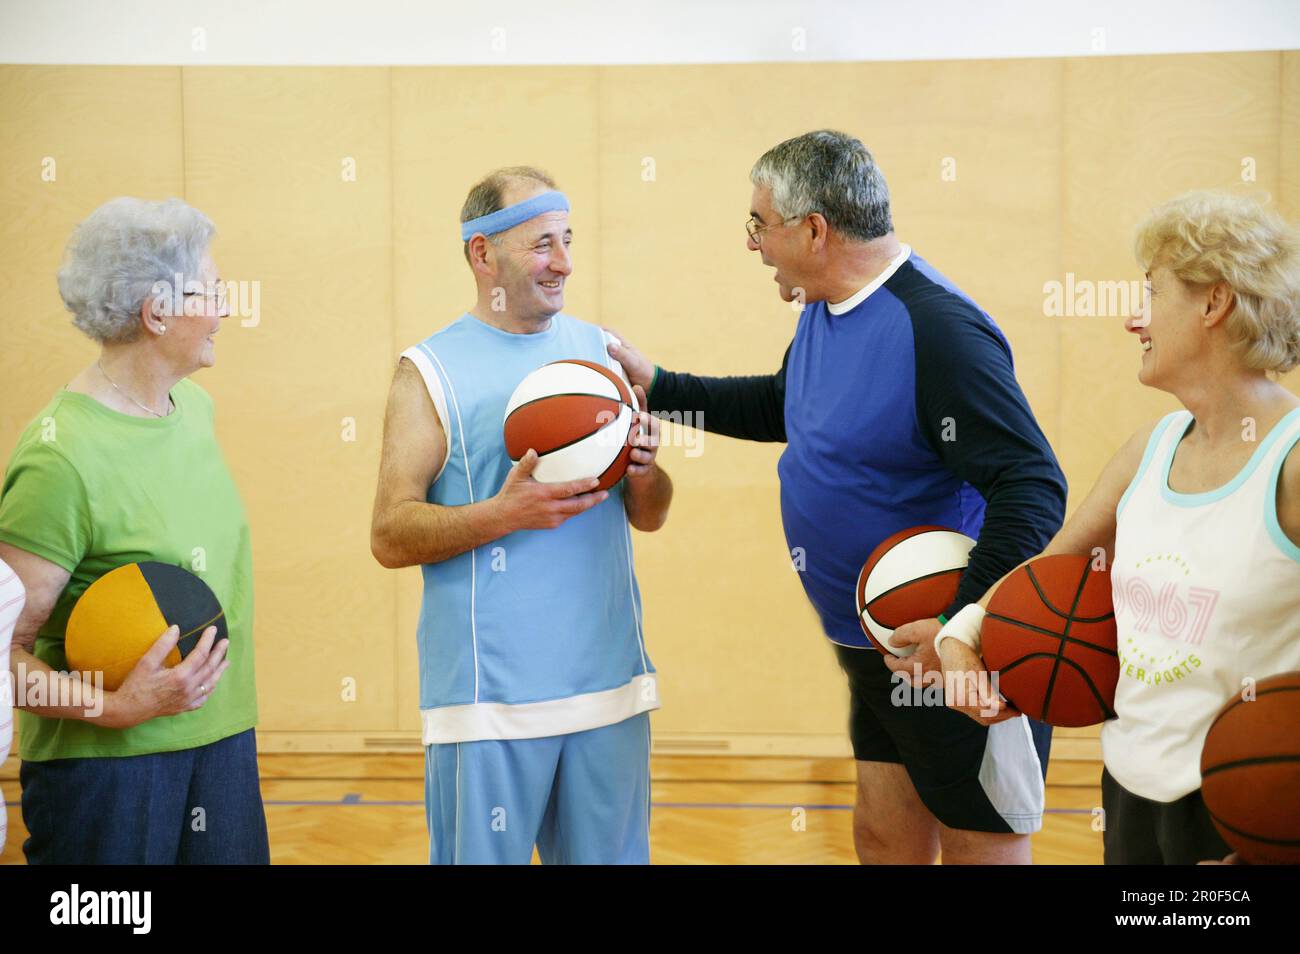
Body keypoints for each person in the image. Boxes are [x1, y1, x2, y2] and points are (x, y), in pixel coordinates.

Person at [609, 130, 1067, 864]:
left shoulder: (938, 330)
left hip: (951, 656)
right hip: (874, 650)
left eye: (759, 224)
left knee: (980, 846)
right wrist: (658, 387)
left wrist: (959, 626)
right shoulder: (826, 309)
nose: (753, 244)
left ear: (814, 230)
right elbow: (784, 407)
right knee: (883, 840)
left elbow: (1034, 485)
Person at [937, 189, 1300, 864]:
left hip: (1250, 803)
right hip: (1129, 790)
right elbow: (1049, 570)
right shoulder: (1150, 449)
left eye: (1152, 291)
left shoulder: (1292, 460)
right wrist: (963, 635)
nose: (1135, 319)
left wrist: (1277, 819)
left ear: (1213, 303)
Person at [370, 167, 672, 865]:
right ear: (483, 254)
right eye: (542, 244)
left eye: (567, 240)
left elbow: (649, 516)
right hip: (487, 703)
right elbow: (389, 533)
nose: (563, 262)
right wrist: (505, 514)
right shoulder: (428, 371)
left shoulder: (603, 355)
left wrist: (648, 468)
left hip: (610, 691)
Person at [0, 197, 266, 864]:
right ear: (158, 312)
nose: (226, 308)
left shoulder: (194, 409)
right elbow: (7, 656)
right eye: (212, 291)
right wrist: (118, 707)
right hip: (109, 775)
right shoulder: (59, 457)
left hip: (223, 743)